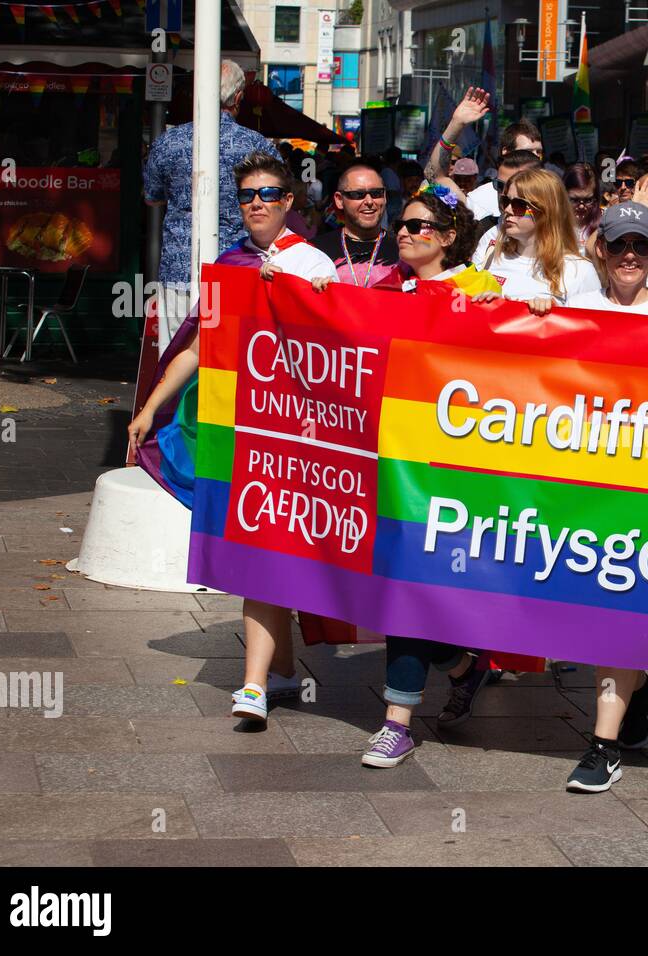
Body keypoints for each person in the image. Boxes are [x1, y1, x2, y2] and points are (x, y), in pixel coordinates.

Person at [128, 152, 338, 723]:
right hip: (239, 429)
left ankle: (254, 684)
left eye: (268, 194)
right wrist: (150, 407)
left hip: (296, 436)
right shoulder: (229, 264)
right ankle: (279, 674)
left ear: (290, 201)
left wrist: (314, 292)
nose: (257, 205)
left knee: (264, 554)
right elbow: (198, 346)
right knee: (262, 553)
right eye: (247, 196)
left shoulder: (314, 262)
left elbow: (336, 347)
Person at [353, 186, 505, 767]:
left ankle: (396, 722)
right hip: (393, 462)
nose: (406, 233)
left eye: (420, 226)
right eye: (403, 225)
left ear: (447, 237)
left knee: (409, 590)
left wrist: (525, 313)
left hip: (454, 469)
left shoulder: (481, 290)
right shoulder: (382, 286)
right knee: (403, 589)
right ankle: (465, 667)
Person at [562, 203, 648, 793]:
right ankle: (641, 692)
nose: (631, 256)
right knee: (594, 612)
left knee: (617, 612)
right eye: (620, 246)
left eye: (641, 244)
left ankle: (603, 745)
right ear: (601, 251)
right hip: (589, 484)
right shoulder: (579, 309)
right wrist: (535, 317)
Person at [142, 60, 283, 350]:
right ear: (239, 97)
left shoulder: (168, 142)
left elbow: (152, 197)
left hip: (180, 270)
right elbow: (281, 200)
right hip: (239, 270)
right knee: (229, 364)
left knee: (175, 361)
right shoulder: (257, 145)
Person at [470, 168, 599, 304]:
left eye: (519, 205)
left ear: (546, 211)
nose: (507, 210)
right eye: (506, 201)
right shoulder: (492, 253)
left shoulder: (579, 271)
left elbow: (591, 323)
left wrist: (552, 313)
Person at [423, 86, 543, 223]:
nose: (535, 157)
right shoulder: (481, 200)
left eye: (539, 152)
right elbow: (434, 175)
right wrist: (456, 124)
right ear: (506, 152)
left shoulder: (554, 195)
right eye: (527, 152)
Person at [311, 159, 400, 288]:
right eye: (358, 194)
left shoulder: (404, 250)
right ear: (339, 200)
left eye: (376, 193)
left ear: (385, 196)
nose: (369, 201)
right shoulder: (316, 251)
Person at [467, 150, 544, 254]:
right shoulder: (484, 231)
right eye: (500, 185)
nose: (504, 193)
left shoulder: (566, 246)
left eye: (513, 185)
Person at [564, 161, 602, 253]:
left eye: (588, 200)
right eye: (574, 200)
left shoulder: (605, 221)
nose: (581, 206)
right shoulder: (553, 223)